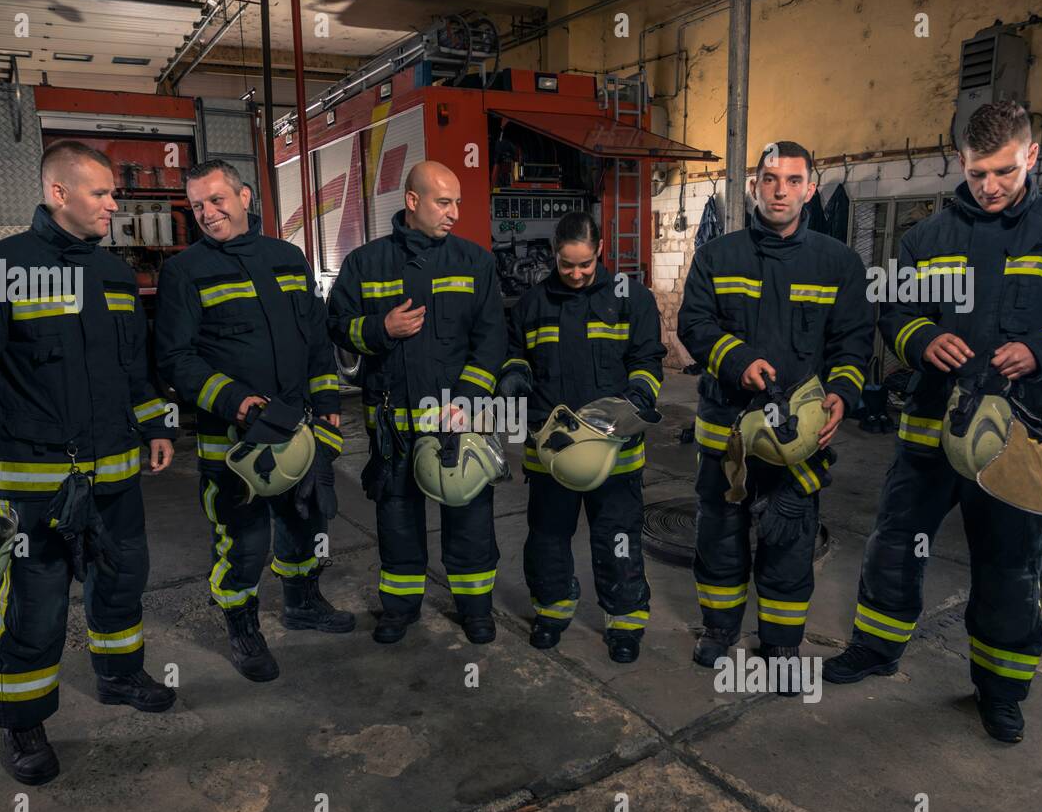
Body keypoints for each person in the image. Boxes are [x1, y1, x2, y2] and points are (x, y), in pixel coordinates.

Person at [823, 101, 1042, 742]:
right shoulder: (924, 240)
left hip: (1021, 434)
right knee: (895, 546)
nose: (990, 186)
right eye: (978, 171)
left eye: (1005, 172)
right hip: (931, 430)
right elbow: (893, 314)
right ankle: (875, 651)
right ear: (960, 161)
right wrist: (921, 339)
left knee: (1010, 567)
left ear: (1032, 155)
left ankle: (1000, 690)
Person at [0, 140, 177, 785]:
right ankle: (23, 719)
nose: (112, 204)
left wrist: (154, 422)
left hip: (117, 471)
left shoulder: (114, 275)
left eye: (112, 193)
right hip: (35, 481)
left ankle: (120, 674)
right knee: (37, 603)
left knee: (123, 577)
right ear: (58, 193)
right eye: (99, 193)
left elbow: (135, 366)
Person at [678, 140, 874, 690]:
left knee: (790, 541)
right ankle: (718, 631)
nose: (780, 190)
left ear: (811, 188)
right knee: (720, 534)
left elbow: (853, 344)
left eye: (792, 180)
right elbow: (694, 325)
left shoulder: (839, 263)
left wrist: (842, 394)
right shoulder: (719, 255)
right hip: (726, 438)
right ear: (753, 186)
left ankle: (781, 647)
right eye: (769, 179)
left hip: (799, 441)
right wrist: (736, 361)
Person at [156, 160, 353, 685]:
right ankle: (242, 628)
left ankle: (303, 603)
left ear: (245, 197)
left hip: (298, 428)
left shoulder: (288, 258)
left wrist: (328, 396)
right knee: (242, 542)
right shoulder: (184, 272)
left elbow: (315, 338)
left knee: (305, 522)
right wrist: (240, 403)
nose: (208, 212)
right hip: (233, 439)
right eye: (197, 205)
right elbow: (176, 359)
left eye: (217, 199)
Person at [328, 161, 507, 645]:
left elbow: (492, 341)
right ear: (412, 201)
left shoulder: (475, 262)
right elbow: (336, 325)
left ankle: (475, 609)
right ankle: (400, 608)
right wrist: (378, 330)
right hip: (394, 426)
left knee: (469, 516)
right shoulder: (365, 264)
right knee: (397, 518)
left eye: (457, 203)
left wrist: (468, 400)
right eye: (443, 202)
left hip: (459, 421)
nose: (454, 213)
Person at [500, 212, 666, 662]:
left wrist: (635, 399)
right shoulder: (533, 303)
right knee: (548, 537)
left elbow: (649, 360)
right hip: (551, 452)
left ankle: (625, 622)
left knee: (618, 538)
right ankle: (551, 612)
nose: (575, 274)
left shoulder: (630, 298)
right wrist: (513, 377)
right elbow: (515, 356)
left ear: (600, 254)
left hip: (615, 453)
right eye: (566, 264)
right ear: (554, 255)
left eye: (585, 265)